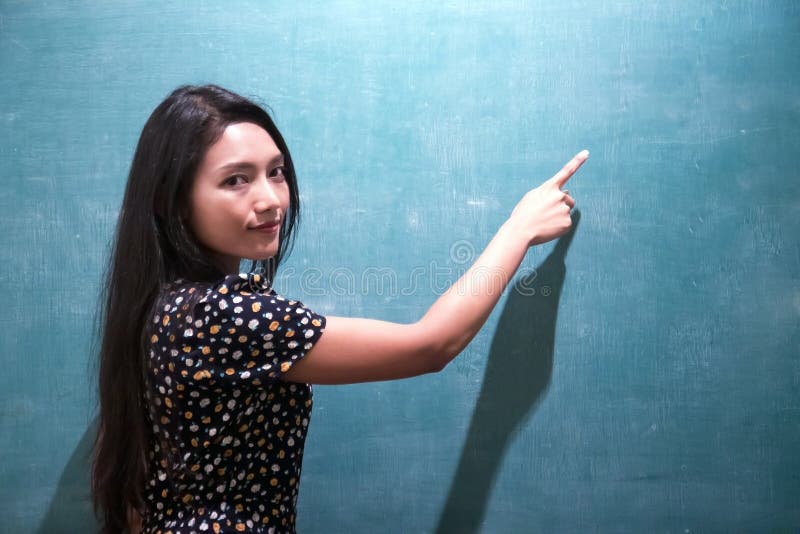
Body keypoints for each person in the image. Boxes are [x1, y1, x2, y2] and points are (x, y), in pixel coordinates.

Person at [91, 84, 588, 533]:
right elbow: (432, 344)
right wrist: (519, 229)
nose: (271, 200)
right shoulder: (221, 315)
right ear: (175, 201)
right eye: (235, 180)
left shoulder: (164, 304)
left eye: (276, 172)